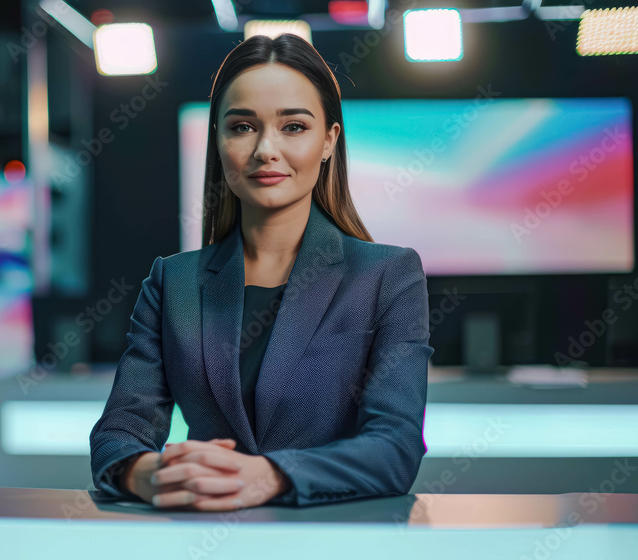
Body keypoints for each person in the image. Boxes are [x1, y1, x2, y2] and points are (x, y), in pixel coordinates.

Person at [89, 33, 433, 511]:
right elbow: (118, 433)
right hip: (204, 538)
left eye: (293, 127)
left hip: (336, 541)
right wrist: (147, 473)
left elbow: (395, 449)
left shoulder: (388, 275)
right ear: (219, 138)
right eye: (243, 126)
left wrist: (271, 476)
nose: (266, 149)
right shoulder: (173, 282)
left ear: (329, 140)